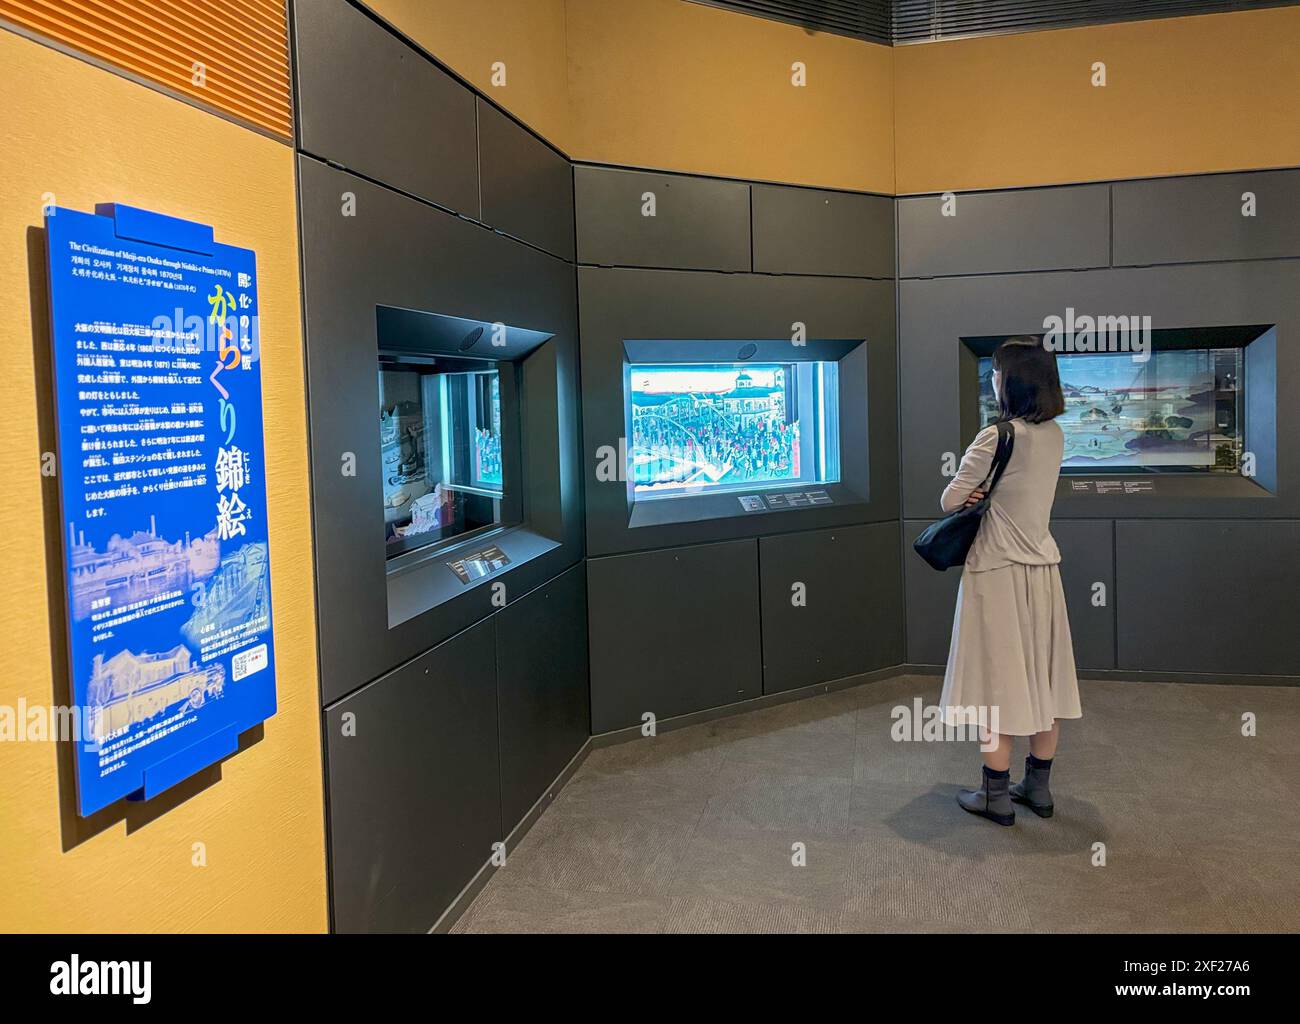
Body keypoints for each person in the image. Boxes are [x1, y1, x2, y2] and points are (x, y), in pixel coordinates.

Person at [939, 337, 1082, 826]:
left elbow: (950, 500)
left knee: (995, 683)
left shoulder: (995, 436)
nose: (992, 380)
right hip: (1043, 572)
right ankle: (1037, 789)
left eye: (996, 372)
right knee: (1046, 680)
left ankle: (994, 796)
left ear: (1009, 381)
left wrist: (975, 488)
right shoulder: (1056, 434)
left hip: (997, 572)